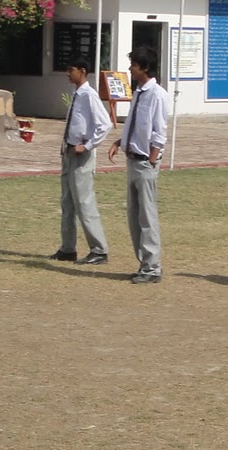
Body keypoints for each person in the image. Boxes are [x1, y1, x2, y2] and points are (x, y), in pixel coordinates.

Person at [107, 46, 170, 284]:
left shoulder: (157, 94)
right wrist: (120, 142)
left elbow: (159, 131)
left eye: (134, 65)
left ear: (145, 68)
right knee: (134, 216)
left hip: (145, 163)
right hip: (133, 160)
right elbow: (137, 125)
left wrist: (152, 160)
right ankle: (144, 263)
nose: (130, 69)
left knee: (147, 217)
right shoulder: (139, 93)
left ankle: (152, 267)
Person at [51, 58, 112, 266]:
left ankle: (99, 250)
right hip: (69, 153)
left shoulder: (89, 95)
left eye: (71, 70)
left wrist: (87, 146)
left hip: (80, 155)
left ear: (83, 71)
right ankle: (68, 248)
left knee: (84, 203)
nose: (68, 74)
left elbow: (105, 124)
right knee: (67, 203)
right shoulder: (77, 94)